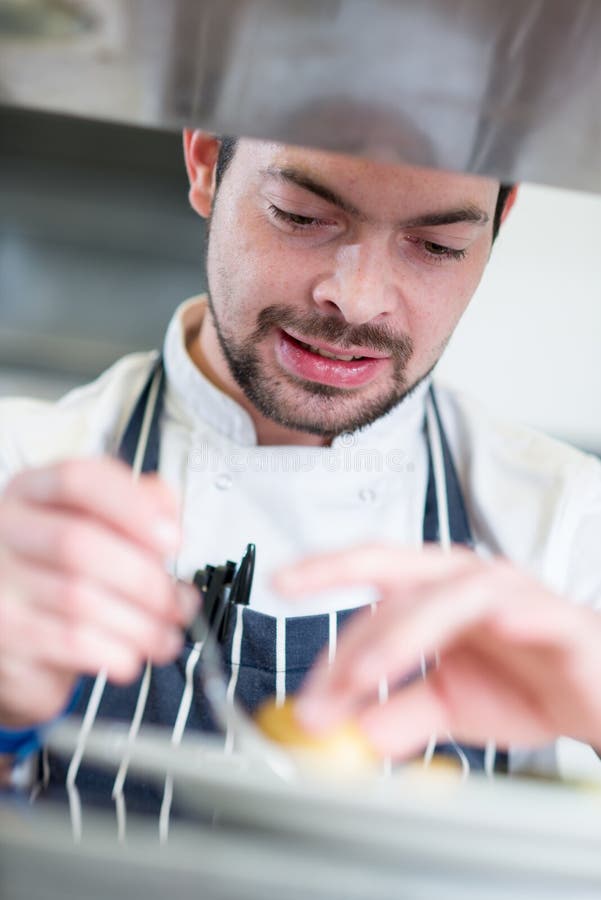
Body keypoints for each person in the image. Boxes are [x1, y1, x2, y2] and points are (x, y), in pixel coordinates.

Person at [0, 132, 600, 809]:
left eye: (436, 246)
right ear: (204, 164)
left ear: (499, 221)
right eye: (300, 214)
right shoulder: (17, 480)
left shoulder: (572, 526)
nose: (357, 298)